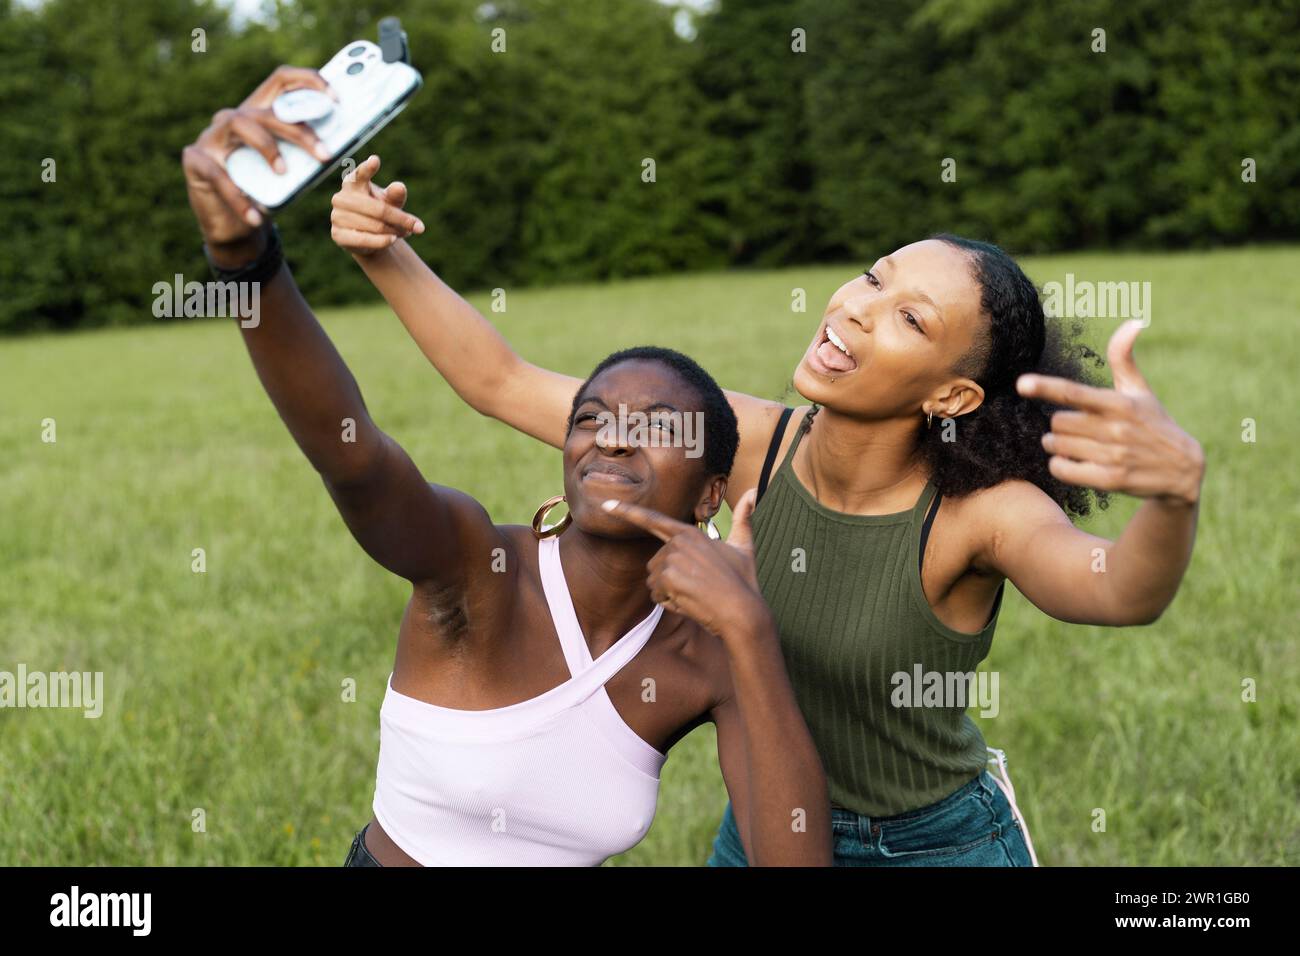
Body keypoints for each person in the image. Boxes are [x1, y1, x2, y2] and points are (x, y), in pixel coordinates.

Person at [327, 155, 1206, 866]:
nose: (855, 310)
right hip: (769, 830)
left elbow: (1121, 589)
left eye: (907, 317)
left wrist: (1172, 496)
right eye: (872, 276)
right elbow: (502, 381)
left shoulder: (981, 515)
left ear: (952, 392)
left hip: (935, 845)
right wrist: (381, 250)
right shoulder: (748, 443)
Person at [180, 67, 832, 867]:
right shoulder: (476, 568)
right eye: (590, 419)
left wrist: (750, 627)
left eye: (655, 426)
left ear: (710, 492)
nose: (612, 439)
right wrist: (248, 262)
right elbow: (353, 459)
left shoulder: (706, 648)